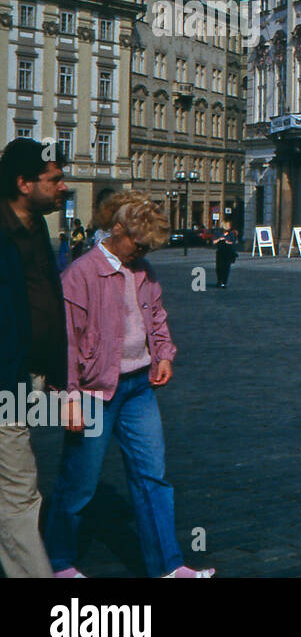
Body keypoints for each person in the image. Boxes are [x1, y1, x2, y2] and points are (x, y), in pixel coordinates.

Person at [47, 192, 215, 578]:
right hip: (92, 393)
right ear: (117, 229)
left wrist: (164, 354)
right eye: (138, 245)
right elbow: (64, 343)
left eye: (148, 248)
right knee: (79, 486)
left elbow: (156, 317)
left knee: (152, 478)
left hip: (138, 387)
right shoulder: (80, 274)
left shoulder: (143, 270)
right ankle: (58, 563)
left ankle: (169, 568)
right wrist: (67, 399)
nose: (142, 253)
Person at [0, 138, 70, 578]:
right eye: (55, 179)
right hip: (5, 380)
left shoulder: (37, 227)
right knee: (20, 492)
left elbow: (47, 297)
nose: (63, 187)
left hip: (30, 375)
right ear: (24, 183)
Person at [213, 218, 238, 288]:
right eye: (229, 225)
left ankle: (224, 282)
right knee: (219, 267)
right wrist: (219, 239)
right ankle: (219, 281)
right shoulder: (218, 233)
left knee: (226, 267)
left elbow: (233, 243)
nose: (230, 227)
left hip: (228, 252)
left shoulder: (231, 234)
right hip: (220, 252)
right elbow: (214, 242)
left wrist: (227, 242)